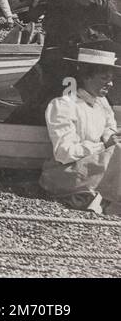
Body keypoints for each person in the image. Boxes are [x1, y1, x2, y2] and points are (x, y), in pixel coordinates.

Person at [40, 47, 121, 216]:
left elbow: (110, 128)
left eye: (111, 78)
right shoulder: (63, 105)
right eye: (105, 78)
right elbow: (64, 153)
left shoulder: (101, 102)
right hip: (66, 173)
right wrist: (104, 145)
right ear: (86, 76)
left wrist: (113, 138)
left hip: (95, 168)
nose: (111, 83)